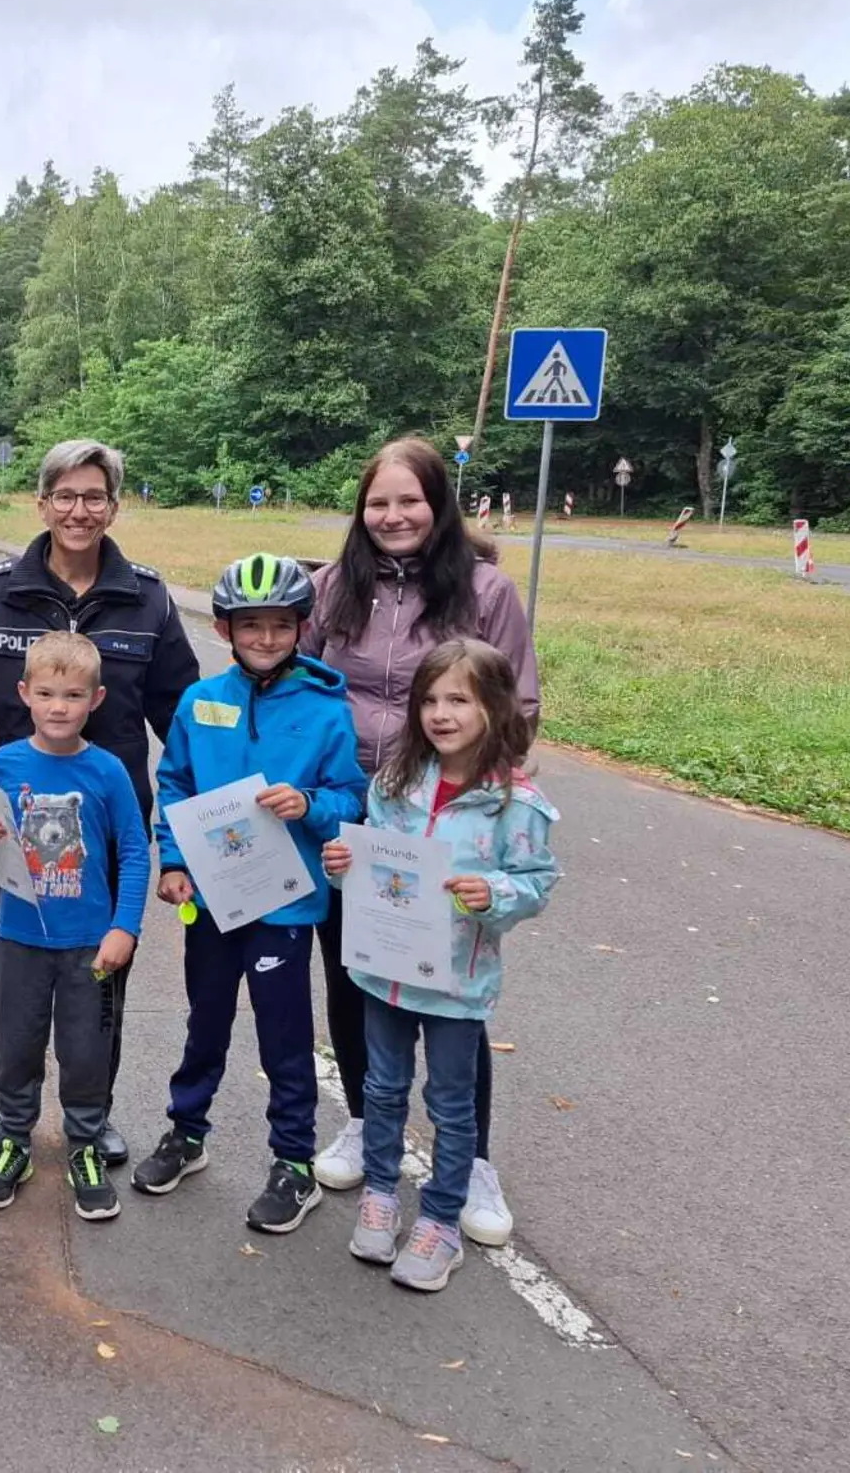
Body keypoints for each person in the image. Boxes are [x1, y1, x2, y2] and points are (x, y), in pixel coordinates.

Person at [0, 439, 198, 1168]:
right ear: (42, 504)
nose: (80, 510)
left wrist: (197, 831)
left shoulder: (151, 598)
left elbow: (186, 722)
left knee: (99, 985)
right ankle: (3, 1112)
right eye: (65, 496)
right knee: (9, 981)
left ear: (114, 505)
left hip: (109, 838)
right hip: (13, 841)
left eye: (95, 497)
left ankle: (92, 1114)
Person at [304, 436, 540, 1246]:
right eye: (378, 503)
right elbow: (300, 685)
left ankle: (469, 1159)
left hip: (444, 817)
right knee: (357, 977)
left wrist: (474, 794)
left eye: (410, 501)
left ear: (440, 507)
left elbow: (521, 702)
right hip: (355, 812)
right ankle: (369, 1123)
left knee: (451, 996)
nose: (393, 516)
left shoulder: (486, 591)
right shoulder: (333, 586)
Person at [321, 638, 559, 1291]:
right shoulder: (395, 783)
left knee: (452, 1105)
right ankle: (380, 1193)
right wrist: (342, 869)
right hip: (383, 974)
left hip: (457, 986)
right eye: (429, 699)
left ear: (495, 707)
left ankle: (442, 1222)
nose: (441, 713)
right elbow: (374, 877)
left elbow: (535, 881)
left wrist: (495, 895)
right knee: (379, 1089)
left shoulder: (516, 803)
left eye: (459, 699)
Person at [139, 554, 366, 1234]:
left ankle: (293, 1161)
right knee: (204, 1022)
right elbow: (175, 783)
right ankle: (187, 1131)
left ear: (301, 627)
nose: (265, 639)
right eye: (251, 627)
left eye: (279, 626)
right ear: (224, 627)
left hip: (286, 905)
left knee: (284, 1037)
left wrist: (311, 805)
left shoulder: (328, 710)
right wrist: (173, 862)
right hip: (210, 899)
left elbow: (352, 793)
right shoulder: (199, 701)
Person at [0, 632, 149, 1222]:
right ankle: (14, 1140)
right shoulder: (7, 762)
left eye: (73, 695)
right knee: (16, 1046)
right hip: (19, 938)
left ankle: (85, 1144)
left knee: (85, 1051)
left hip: (88, 946)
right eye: (45, 693)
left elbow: (135, 852)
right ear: (24, 694)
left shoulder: (109, 771)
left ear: (95, 699)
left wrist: (124, 928)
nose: (58, 707)